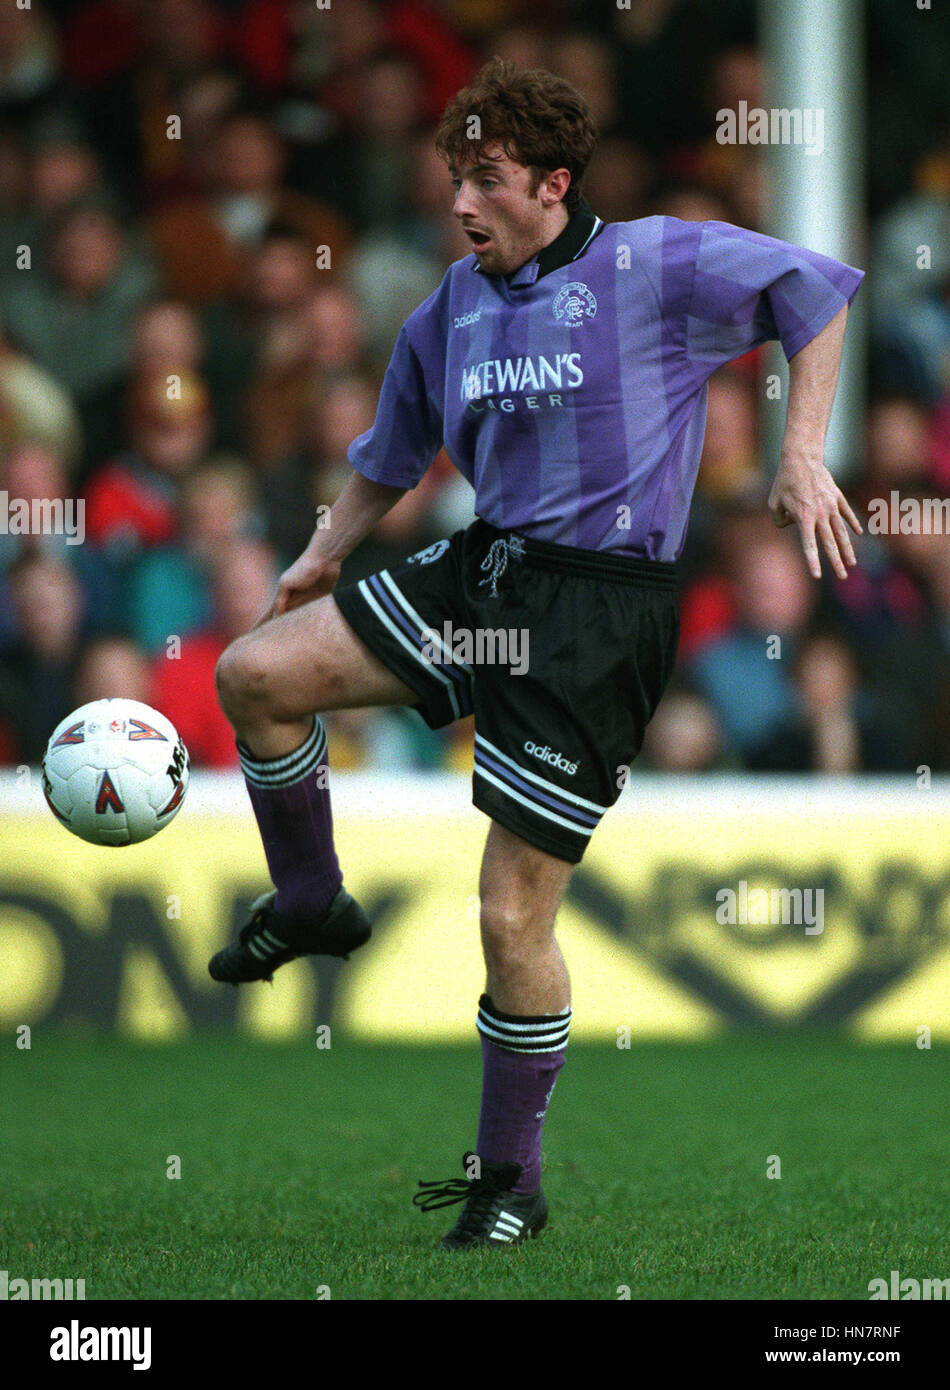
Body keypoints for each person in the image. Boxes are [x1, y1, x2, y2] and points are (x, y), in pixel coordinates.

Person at [208, 58, 865, 1249]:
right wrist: (319, 555)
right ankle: (310, 898)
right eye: (454, 177)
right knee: (254, 674)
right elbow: (388, 452)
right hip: (488, 572)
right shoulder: (446, 306)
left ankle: (510, 1178)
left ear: (553, 185)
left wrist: (799, 450)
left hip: (599, 615)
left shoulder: (655, 259)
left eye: (487, 181)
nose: (461, 202)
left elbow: (812, 293)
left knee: (510, 917)